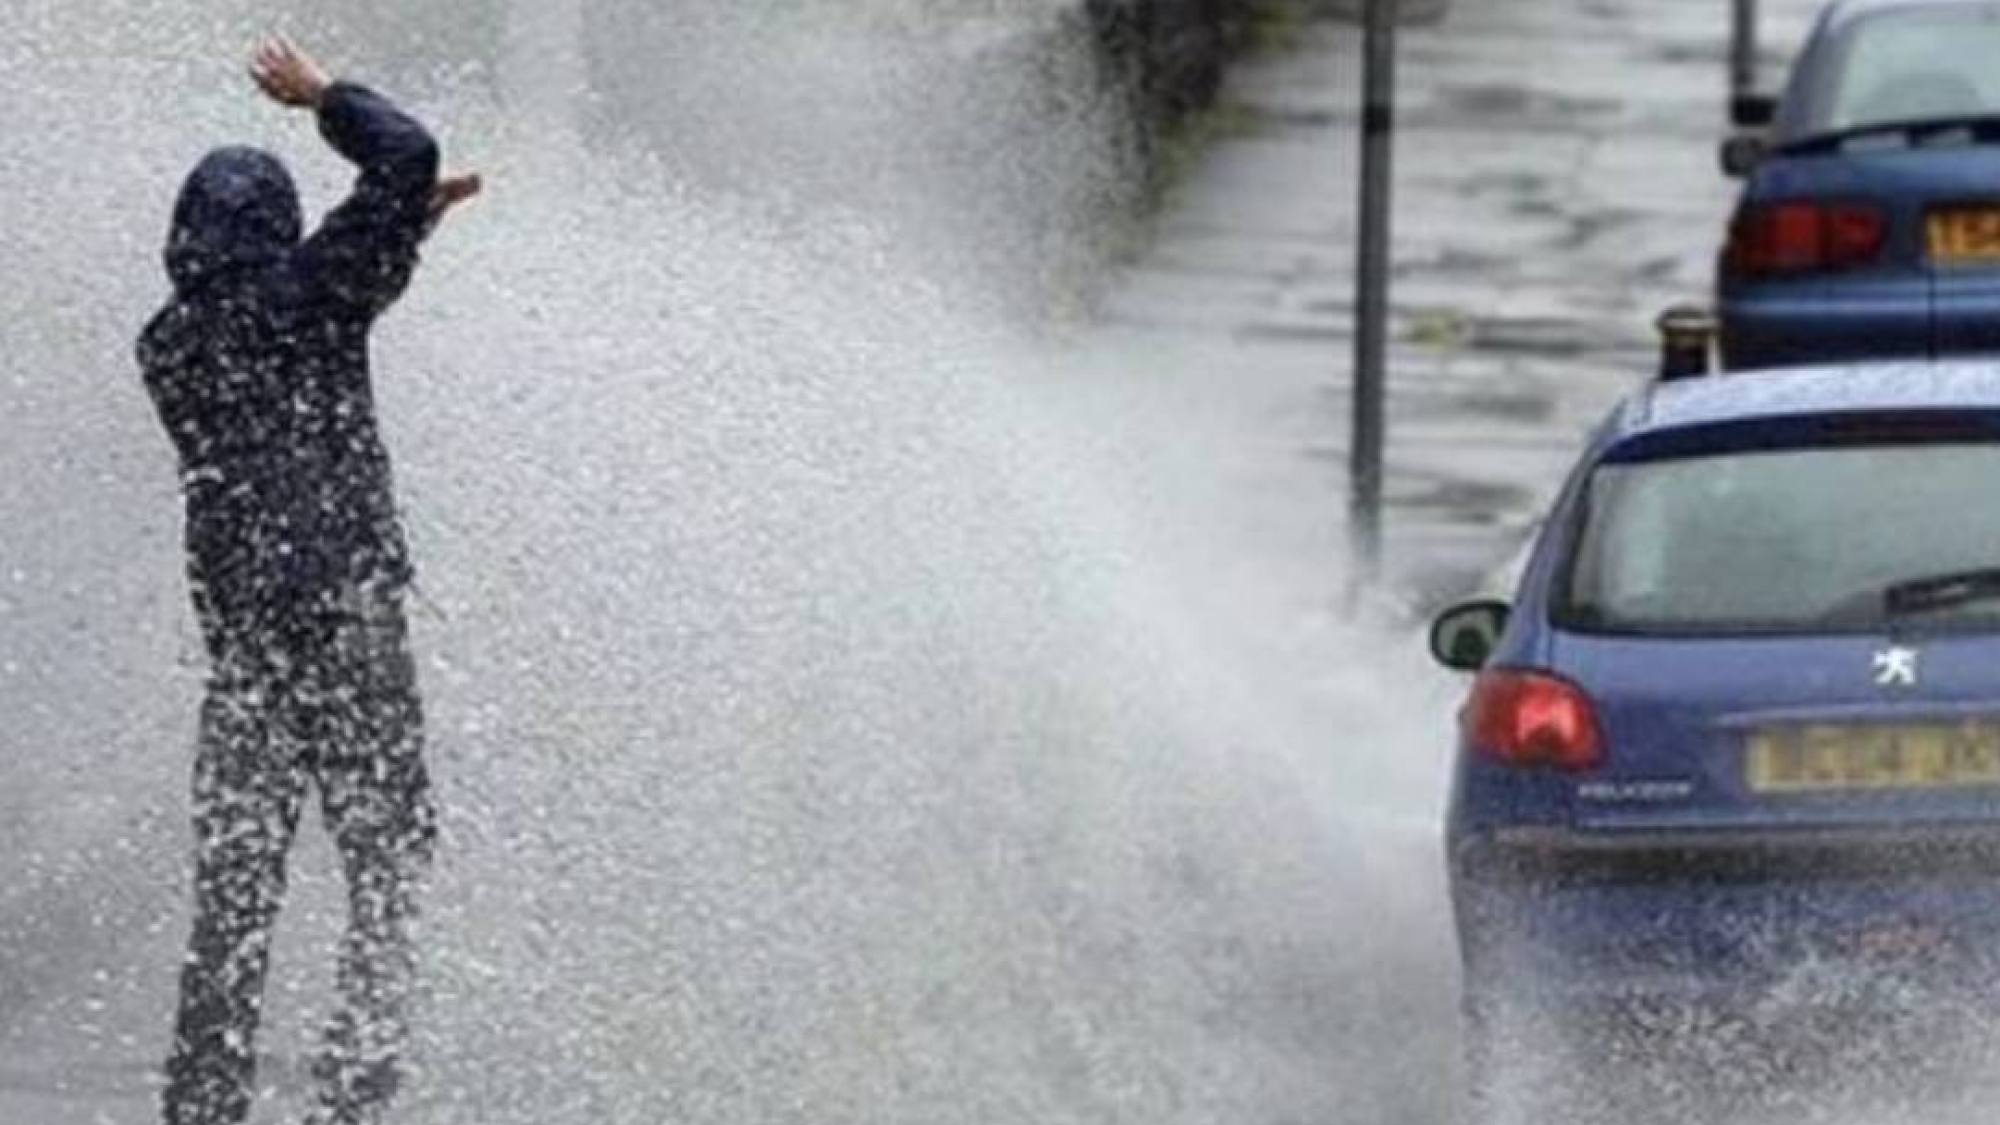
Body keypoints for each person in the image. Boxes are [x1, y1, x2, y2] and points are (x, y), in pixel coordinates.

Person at [138, 37, 480, 1125]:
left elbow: (307, 316)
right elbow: (408, 151)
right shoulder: (311, 294)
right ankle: (353, 1099)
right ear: (278, 224)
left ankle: (201, 1107)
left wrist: (397, 238)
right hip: (346, 629)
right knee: (385, 874)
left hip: (246, 661)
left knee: (233, 901)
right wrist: (324, 97)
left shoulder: (167, 344)